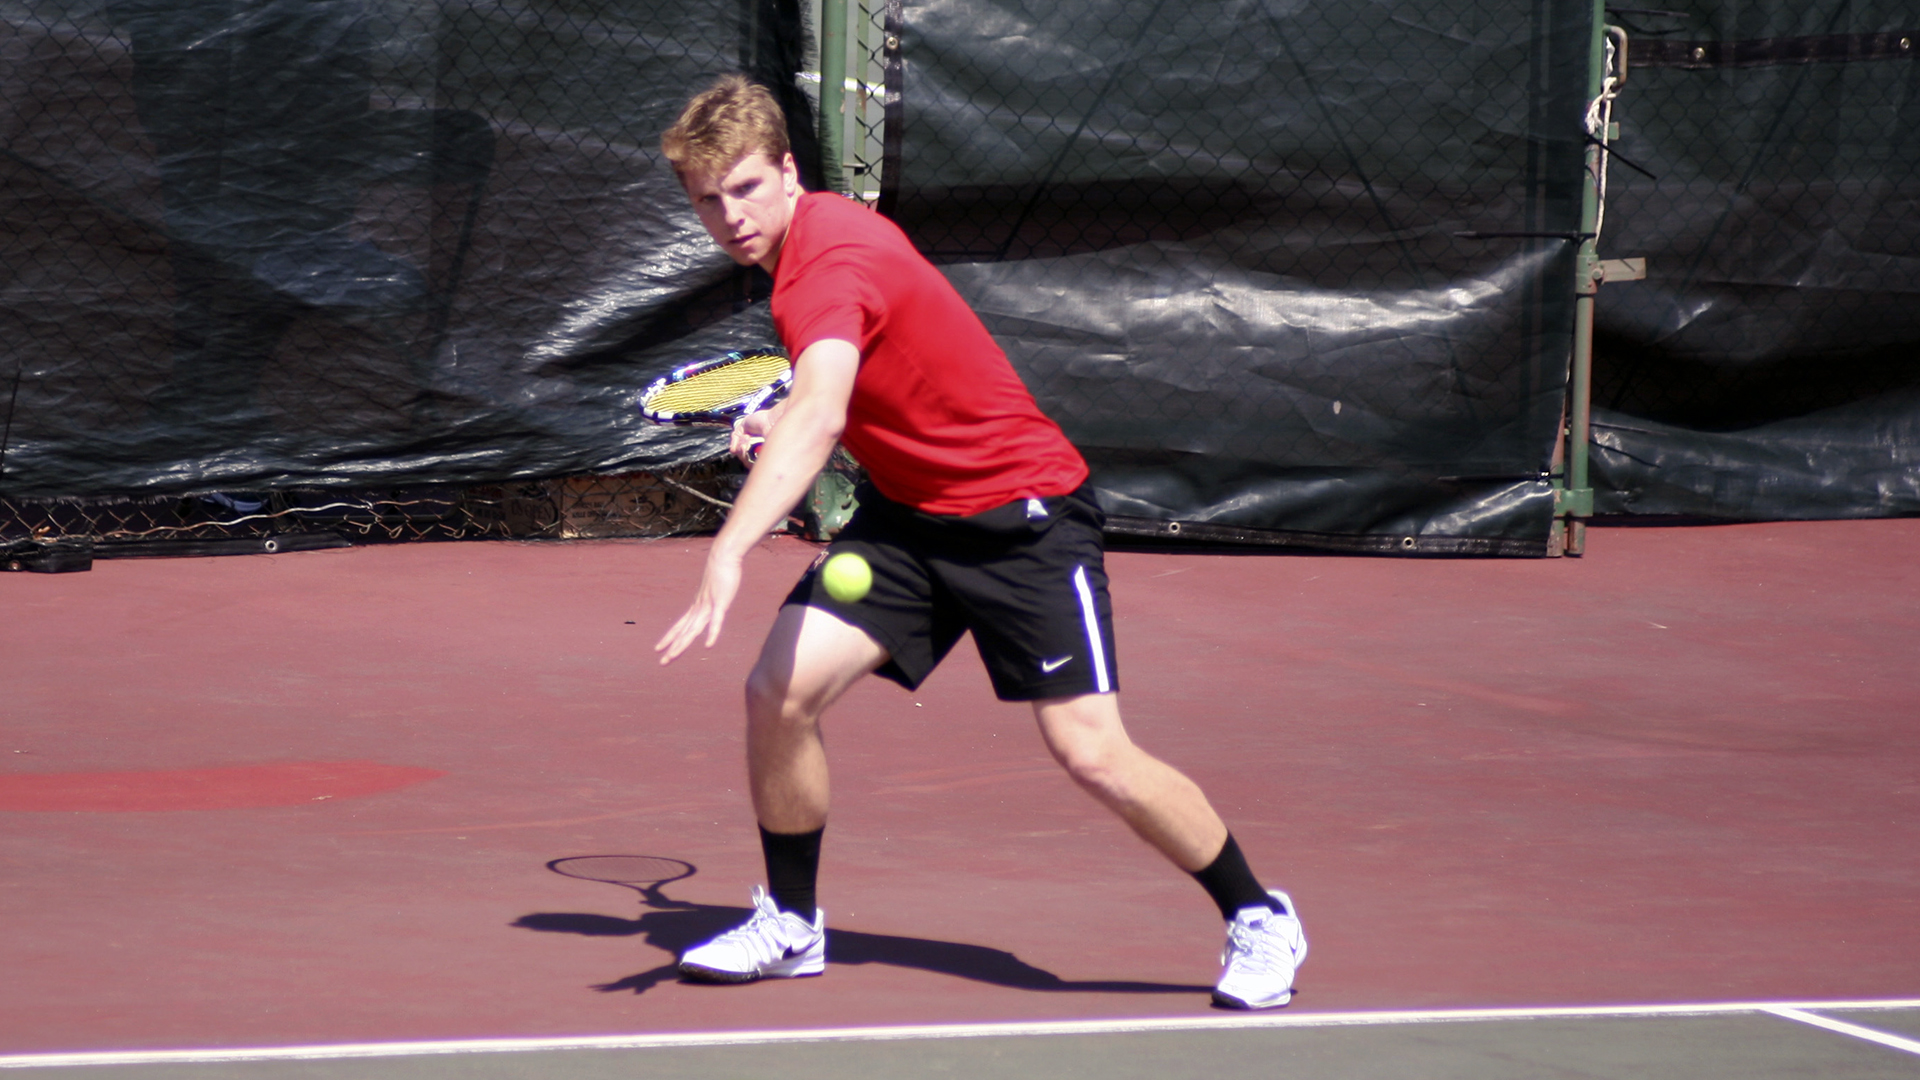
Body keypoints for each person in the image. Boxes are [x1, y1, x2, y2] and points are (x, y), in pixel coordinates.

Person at [652, 74, 1306, 1009]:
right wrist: (785, 417)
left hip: (1023, 520)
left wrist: (727, 549)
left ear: (788, 172)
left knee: (1092, 753)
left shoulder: (829, 264)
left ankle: (1259, 915)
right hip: (911, 519)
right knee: (778, 693)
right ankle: (792, 925)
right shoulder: (809, 252)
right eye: (708, 200)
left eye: (746, 188)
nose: (730, 216)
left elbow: (824, 410)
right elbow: (844, 393)